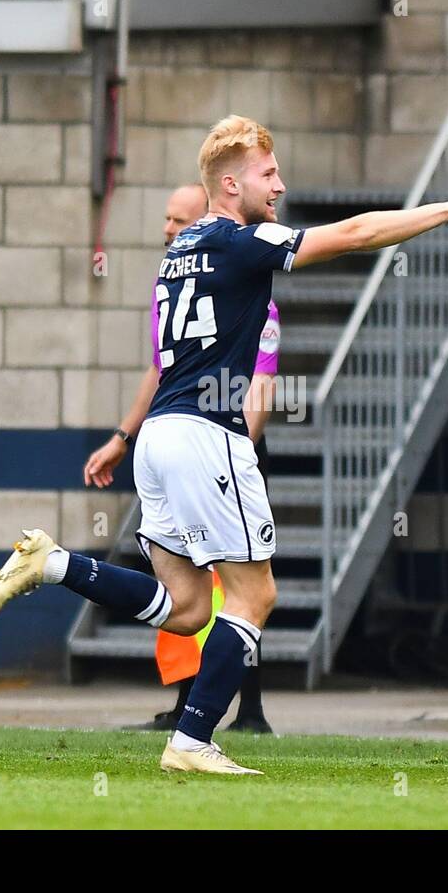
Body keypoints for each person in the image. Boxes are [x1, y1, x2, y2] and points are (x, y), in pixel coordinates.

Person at [0, 114, 448, 775]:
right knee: (255, 597)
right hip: (207, 437)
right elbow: (355, 234)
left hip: (159, 439)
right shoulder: (240, 241)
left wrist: (125, 436)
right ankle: (192, 740)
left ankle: (55, 565)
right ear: (230, 183)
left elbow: (165, 357)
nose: (281, 185)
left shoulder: (178, 253)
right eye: (269, 172)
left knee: (185, 609)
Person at [80, 183, 278, 734]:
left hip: (208, 442)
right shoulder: (174, 282)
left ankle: (244, 710)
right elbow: (160, 369)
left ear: (209, 216)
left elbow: (262, 380)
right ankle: (196, 721)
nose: (169, 229)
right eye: (167, 220)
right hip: (200, 439)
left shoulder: (236, 278)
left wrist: (241, 444)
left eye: (177, 219)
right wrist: (122, 436)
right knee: (239, 593)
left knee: (207, 597)